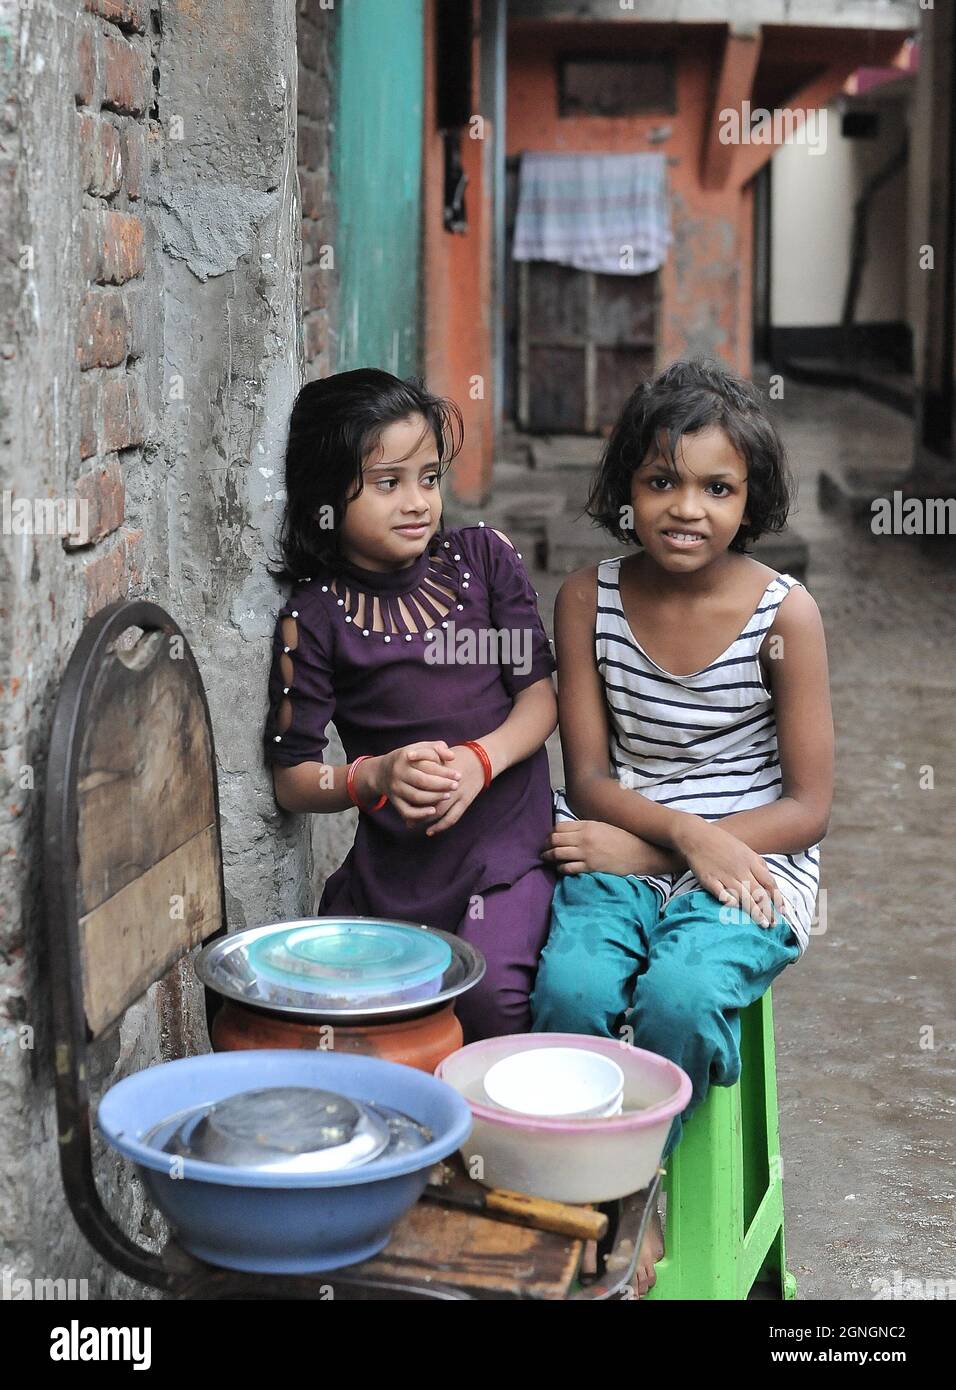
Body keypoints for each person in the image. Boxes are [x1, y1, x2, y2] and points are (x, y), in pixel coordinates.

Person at [531, 358, 834, 1295]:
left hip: (754, 862)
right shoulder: (588, 599)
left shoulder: (789, 615)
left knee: (680, 998)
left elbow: (809, 807)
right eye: (661, 481)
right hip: (616, 842)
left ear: (753, 498)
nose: (686, 508)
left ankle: (635, 1197)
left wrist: (694, 845)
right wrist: (674, 840)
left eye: (716, 487)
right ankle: (589, 1188)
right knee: (571, 991)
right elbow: (585, 778)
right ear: (626, 486)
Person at [263, 368, 558, 1042]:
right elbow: (293, 779)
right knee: (374, 1016)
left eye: (429, 477)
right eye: (388, 482)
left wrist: (482, 762)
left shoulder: (485, 561)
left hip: (505, 844)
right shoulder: (313, 619)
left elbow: (541, 703)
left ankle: (490, 1144)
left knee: (490, 1000)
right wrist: (373, 776)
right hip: (397, 868)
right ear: (325, 498)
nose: (418, 501)